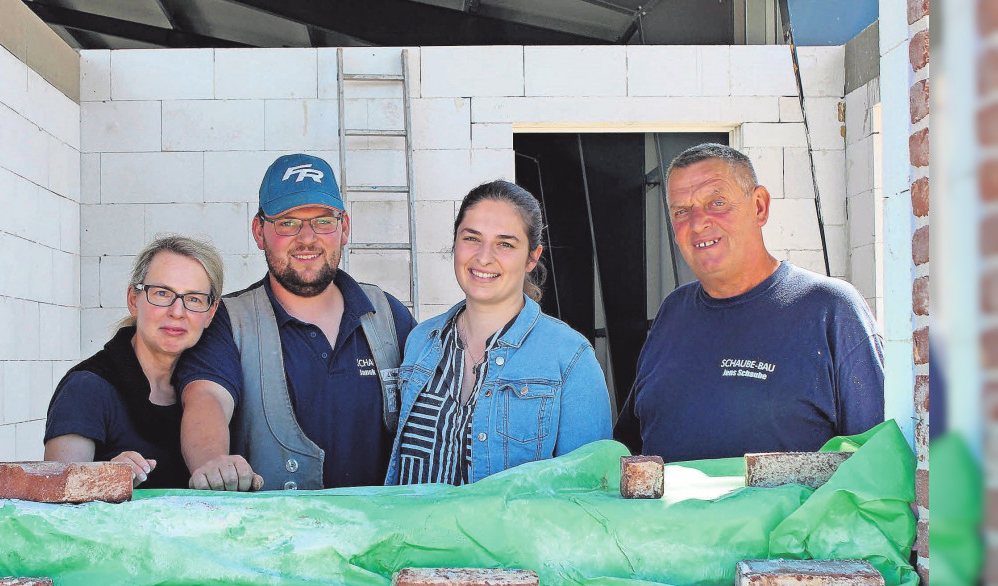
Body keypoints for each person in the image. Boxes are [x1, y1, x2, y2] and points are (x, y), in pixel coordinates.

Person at [612, 143, 885, 462]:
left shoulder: (831, 310)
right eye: (681, 211)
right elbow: (631, 450)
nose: (698, 222)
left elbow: (878, 464)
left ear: (759, 206)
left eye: (716, 202)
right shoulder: (672, 312)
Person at [177, 154, 415, 491]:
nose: (307, 238)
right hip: (275, 539)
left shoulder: (389, 315)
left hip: (380, 537)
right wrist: (211, 460)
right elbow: (206, 399)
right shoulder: (230, 322)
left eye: (322, 221)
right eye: (287, 222)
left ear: (344, 228)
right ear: (259, 231)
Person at [385, 180, 611, 485]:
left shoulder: (570, 358)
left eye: (505, 243)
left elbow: (587, 492)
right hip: (412, 534)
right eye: (472, 238)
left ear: (532, 257)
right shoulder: (420, 341)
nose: (483, 257)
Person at [44, 235, 223, 488]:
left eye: (193, 299)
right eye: (162, 293)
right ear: (133, 300)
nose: (177, 311)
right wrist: (104, 480)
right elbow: (55, 495)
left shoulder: (210, 387)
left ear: (210, 313)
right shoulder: (86, 388)